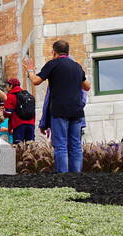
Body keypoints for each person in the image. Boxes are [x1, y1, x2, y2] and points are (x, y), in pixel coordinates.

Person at [24, 40, 90, 173]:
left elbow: (36, 81)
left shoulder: (53, 64)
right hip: (77, 111)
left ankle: (64, 177)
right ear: (68, 51)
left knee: (61, 146)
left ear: (54, 52)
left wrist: (30, 71)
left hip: (60, 110)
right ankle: (76, 176)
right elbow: (87, 86)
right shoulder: (77, 66)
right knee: (76, 145)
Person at [4, 79, 37, 143]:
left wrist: (2, 113)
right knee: (30, 147)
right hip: (31, 124)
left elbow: (8, 113)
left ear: (11, 86)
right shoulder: (28, 95)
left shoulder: (10, 96)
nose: (7, 87)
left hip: (18, 124)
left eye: (7, 85)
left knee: (19, 147)